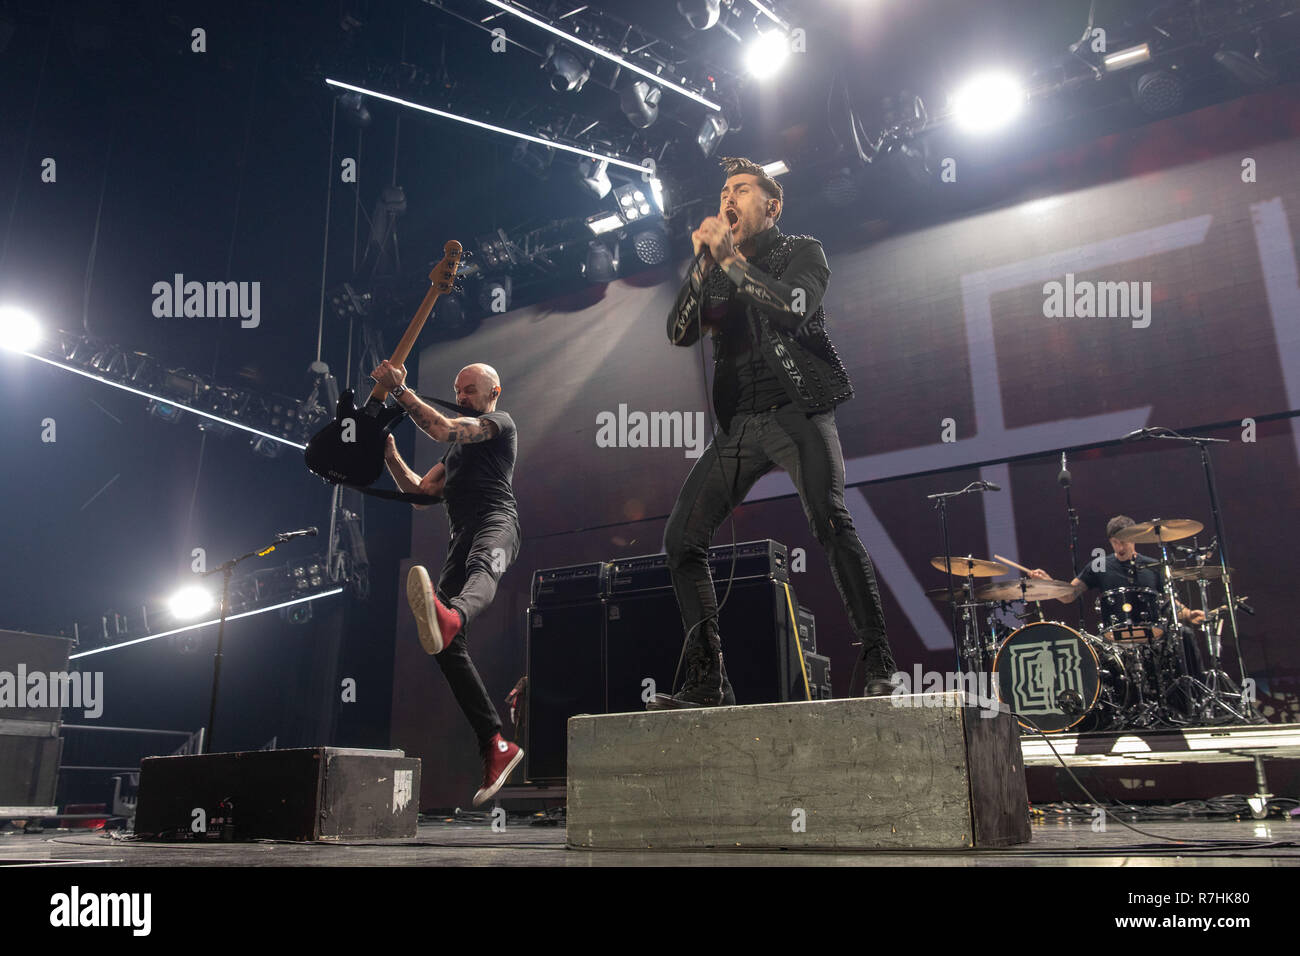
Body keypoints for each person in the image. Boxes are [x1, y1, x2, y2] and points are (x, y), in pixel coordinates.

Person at [651, 156, 899, 709]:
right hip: (740, 425)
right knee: (680, 542)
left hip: (799, 411)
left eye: (740, 189)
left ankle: (880, 657)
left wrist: (730, 260)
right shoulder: (715, 265)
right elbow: (678, 332)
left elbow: (793, 308)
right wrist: (701, 264)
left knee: (831, 518)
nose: (728, 200)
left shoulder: (803, 251)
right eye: (722, 194)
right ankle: (707, 679)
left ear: (772, 205)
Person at [372, 359, 524, 805]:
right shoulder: (454, 453)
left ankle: (454, 615)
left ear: (493, 391)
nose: (462, 396)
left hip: (498, 523)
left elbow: (441, 427)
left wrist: (401, 392)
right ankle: (496, 744)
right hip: (461, 534)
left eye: (470, 389)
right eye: (458, 390)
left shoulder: (499, 423)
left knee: (482, 570)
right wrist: (389, 453)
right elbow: (421, 495)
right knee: (442, 646)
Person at [1030, 514, 1206, 630]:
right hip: (1115, 635)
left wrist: (1189, 614)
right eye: (1115, 542)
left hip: (1153, 633)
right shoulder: (1099, 565)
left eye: (1124, 542)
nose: (1120, 547)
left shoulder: (1153, 566)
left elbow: (1169, 601)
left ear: (1134, 538)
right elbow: (1069, 595)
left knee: (1184, 634)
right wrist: (1048, 582)